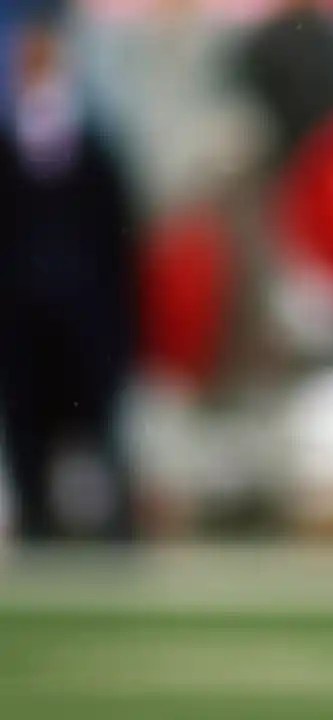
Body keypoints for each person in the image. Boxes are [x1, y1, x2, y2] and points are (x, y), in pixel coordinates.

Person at [0, 17, 139, 542]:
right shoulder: (8, 148)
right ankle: (36, 527)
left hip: (87, 323)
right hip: (20, 325)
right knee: (27, 437)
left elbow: (118, 247)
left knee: (100, 435)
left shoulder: (97, 150)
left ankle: (114, 534)